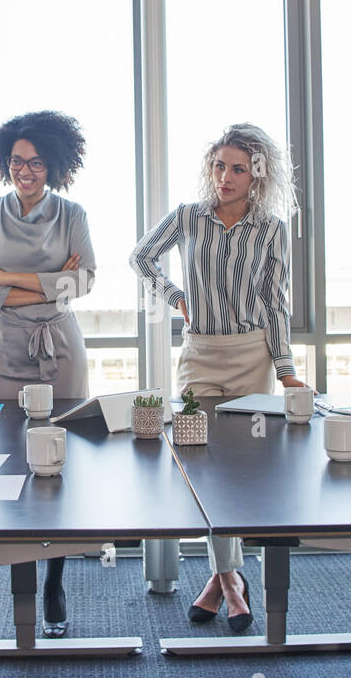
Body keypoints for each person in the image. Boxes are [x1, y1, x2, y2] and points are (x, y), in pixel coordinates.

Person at [130, 122, 306, 633]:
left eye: (237, 168)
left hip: (252, 354)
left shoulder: (271, 228)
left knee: (242, 471)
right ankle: (229, 576)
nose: (224, 176)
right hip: (201, 354)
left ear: (257, 175)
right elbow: (141, 257)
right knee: (201, 467)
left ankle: (222, 578)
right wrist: (174, 297)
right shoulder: (188, 217)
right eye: (218, 166)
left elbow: (276, 302)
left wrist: (286, 368)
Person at [0, 109, 97, 639]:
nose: (26, 171)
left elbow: (81, 282)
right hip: (1, 348)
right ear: (4, 163)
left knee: (57, 463)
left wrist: (7, 276)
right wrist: (46, 281)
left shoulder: (73, 213)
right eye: (17, 161)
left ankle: (53, 582)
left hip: (59, 347)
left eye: (36, 162)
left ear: (53, 165)